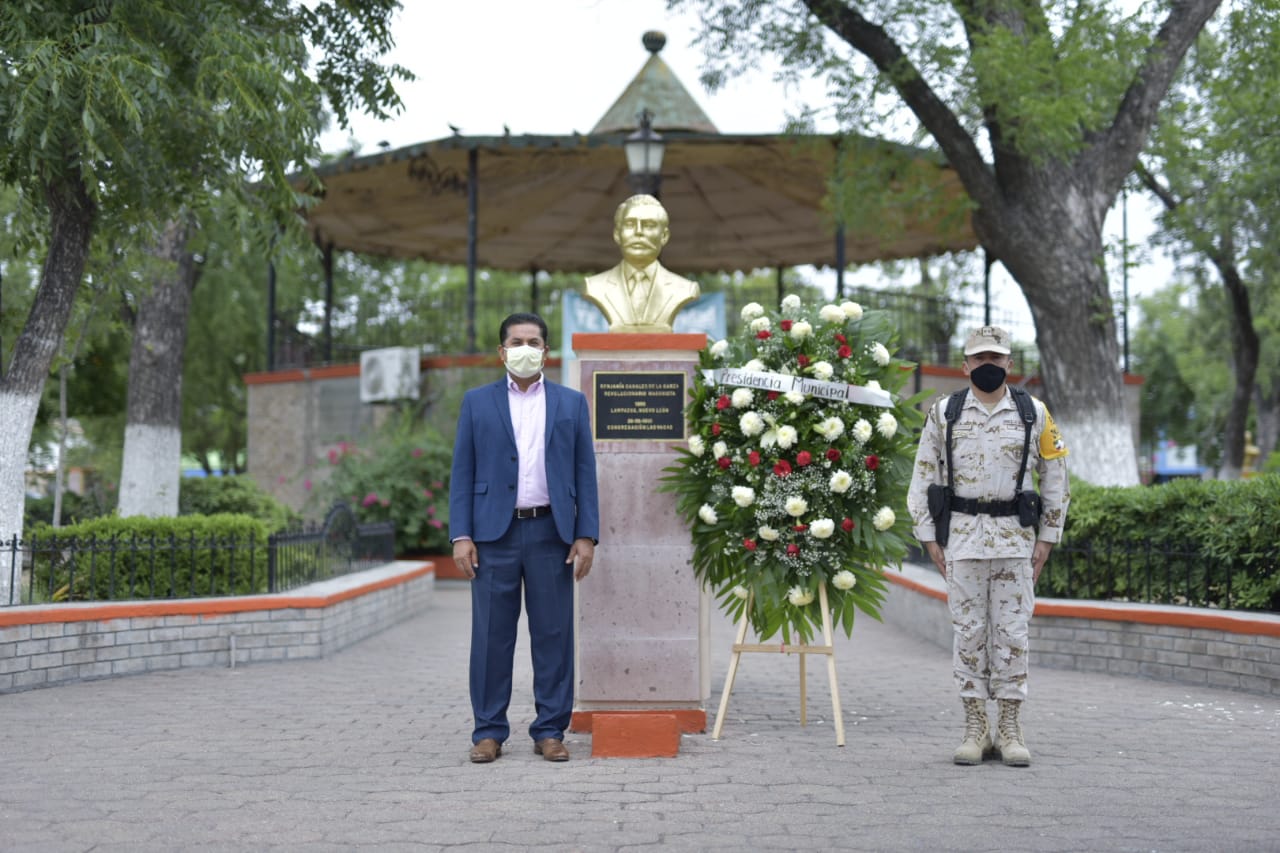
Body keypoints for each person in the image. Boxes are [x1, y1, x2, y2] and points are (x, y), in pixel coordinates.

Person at [906, 325, 1070, 767]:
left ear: (1009, 365)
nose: (988, 366)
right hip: (961, 539)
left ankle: (1010, 728)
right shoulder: (945, 413)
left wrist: (1048, 538)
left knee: (1013, 634)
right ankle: (975, 727)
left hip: (1015, 541)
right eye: (980, 359)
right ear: (965, 365)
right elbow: (923, 476)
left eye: (996, 359)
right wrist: (927, 537)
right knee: (969, 634)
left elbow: (1056, 479)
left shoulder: (1034, 413)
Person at [449, 312, 600, 764]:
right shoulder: (476, 403)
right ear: (502, 351)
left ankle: (550, 729)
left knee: (552, 634)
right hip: (493, 535)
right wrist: (461, 534)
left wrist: (586, 535)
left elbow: (584, 473)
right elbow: (462, 473)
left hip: (551, 534)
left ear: (546, 351)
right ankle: (489, 731)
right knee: (492, 637)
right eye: (516, 341)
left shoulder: (572, 404)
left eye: (533, 340)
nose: (525, 347)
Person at [583, 194, 700, 332]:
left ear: (664, 236)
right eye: (630, 224)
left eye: (649, 225)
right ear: (617, 234)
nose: (638, 232)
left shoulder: (685, 289)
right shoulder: (594, 286)